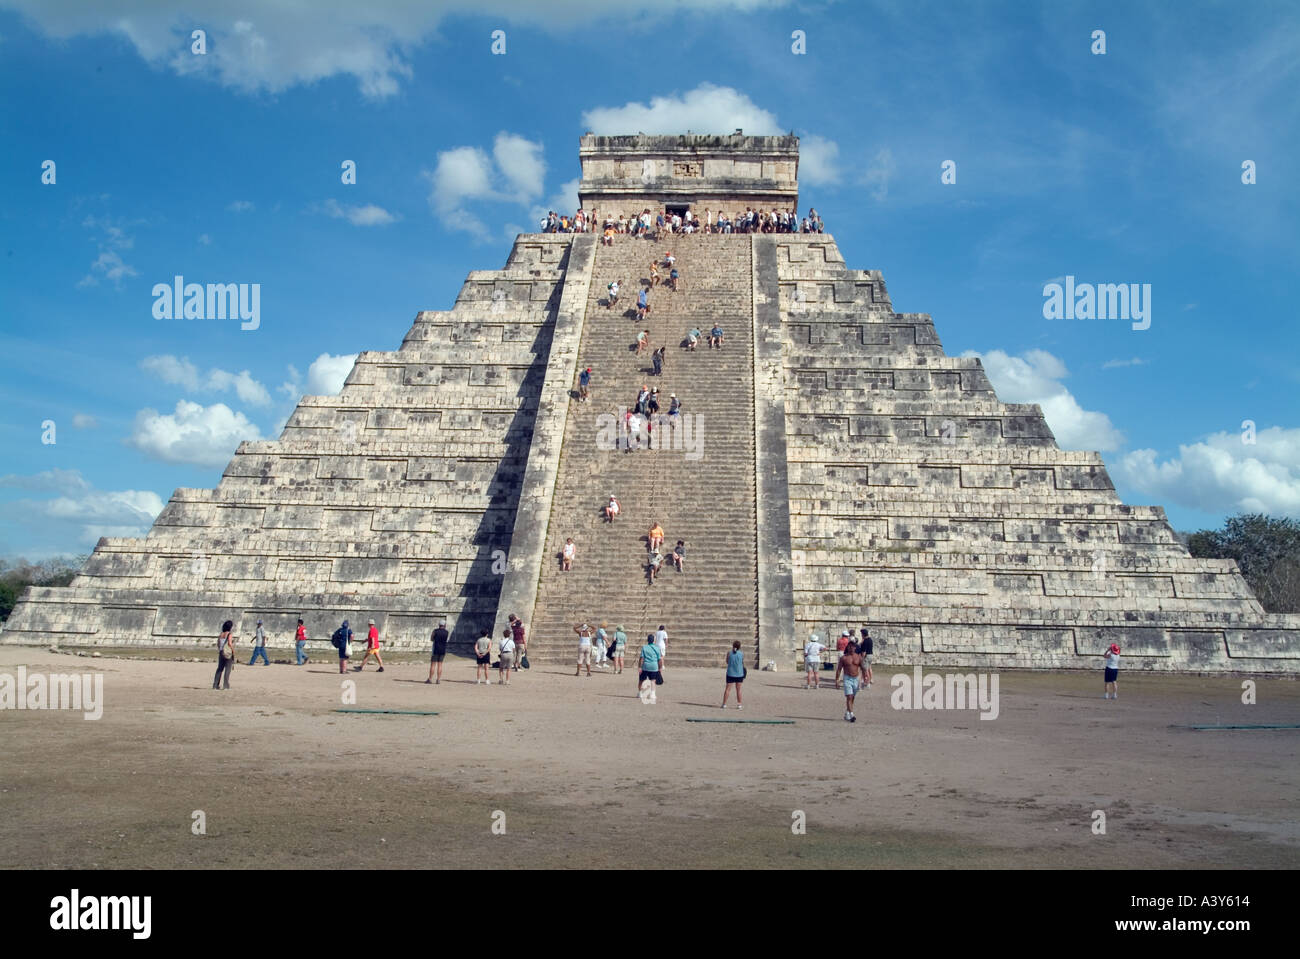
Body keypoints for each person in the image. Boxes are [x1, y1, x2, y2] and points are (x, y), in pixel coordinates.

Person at [835, 641, 864, 722]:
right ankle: (851, 714)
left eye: (853, 647)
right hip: (847, 678)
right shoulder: (844, 658)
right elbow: (839, 669)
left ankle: (847, 712)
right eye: (849, 646)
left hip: (856, 679)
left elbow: (863, 668)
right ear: (847, 647)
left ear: (855, 648)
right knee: (849, 696)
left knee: (852, 697)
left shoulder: (858, 657)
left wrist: (865, 678)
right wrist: (837, 680)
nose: (851, 648)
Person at [638, 634, 663, 704]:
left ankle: (640, 693)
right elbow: (659, 659)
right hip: (654, 666)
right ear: (654, 641)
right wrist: (660, 667)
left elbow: (641, 658)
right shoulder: (657, 648)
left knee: (641, 680)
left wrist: (640, 667)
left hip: (645, 666)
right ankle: (652, 694)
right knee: (653, 680)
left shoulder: (644, 647)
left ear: (647, 640)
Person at [721, 640, 746, 708]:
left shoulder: (729, 653)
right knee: (738, 690)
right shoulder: (741, 653)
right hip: (739, 674)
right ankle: (739, 704)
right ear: (739, 647)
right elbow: (742, 662)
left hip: (730, 673)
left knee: (727, 689)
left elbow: (727, 662)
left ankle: (724, 704)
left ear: (733, 646)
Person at [213, 619, 235, 690]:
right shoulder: (229, 634)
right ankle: (226, 686)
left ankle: (215, 685)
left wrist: (220, 649)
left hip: (221, 652)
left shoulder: (221, 634)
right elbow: (229, 643)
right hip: (228, 653)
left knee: (219, 669)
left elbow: (218, 643)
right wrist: (233, 650)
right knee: (227, 670)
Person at [426, 619, 449, 684]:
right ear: (444, 625)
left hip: (436, 649)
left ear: (439, 625)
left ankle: (430, 679)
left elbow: (431, 638)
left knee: (433, 665)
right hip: (443, 649)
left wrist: (434, 638)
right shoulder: (446, 632)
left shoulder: (435, 631)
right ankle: (438, 679)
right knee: (440, 665)